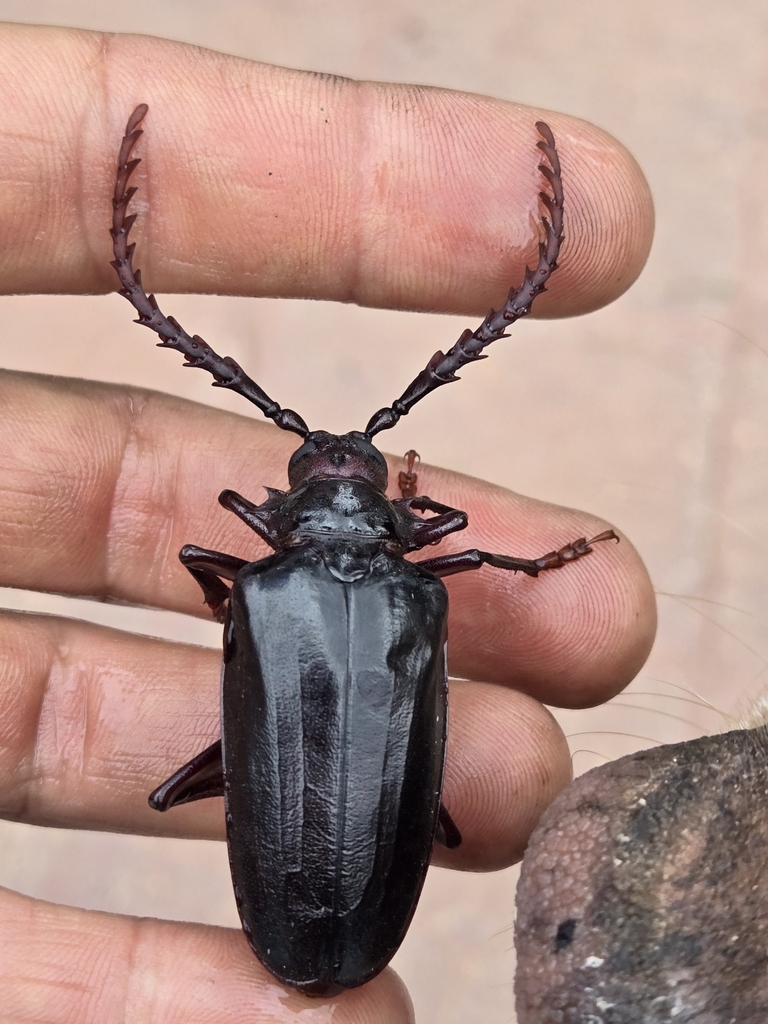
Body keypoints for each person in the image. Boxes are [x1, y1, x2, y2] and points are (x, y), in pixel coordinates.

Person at [0, 22, 656, 1023]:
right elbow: (455, 535)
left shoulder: (265, 585)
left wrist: (231, 597)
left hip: (332, 878)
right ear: (385, 504)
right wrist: (523, 557)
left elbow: (203, 555)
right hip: (358, 886)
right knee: (456, 794)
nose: (344, 456)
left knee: (451, 787)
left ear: (297, 500)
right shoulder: (419, 585)